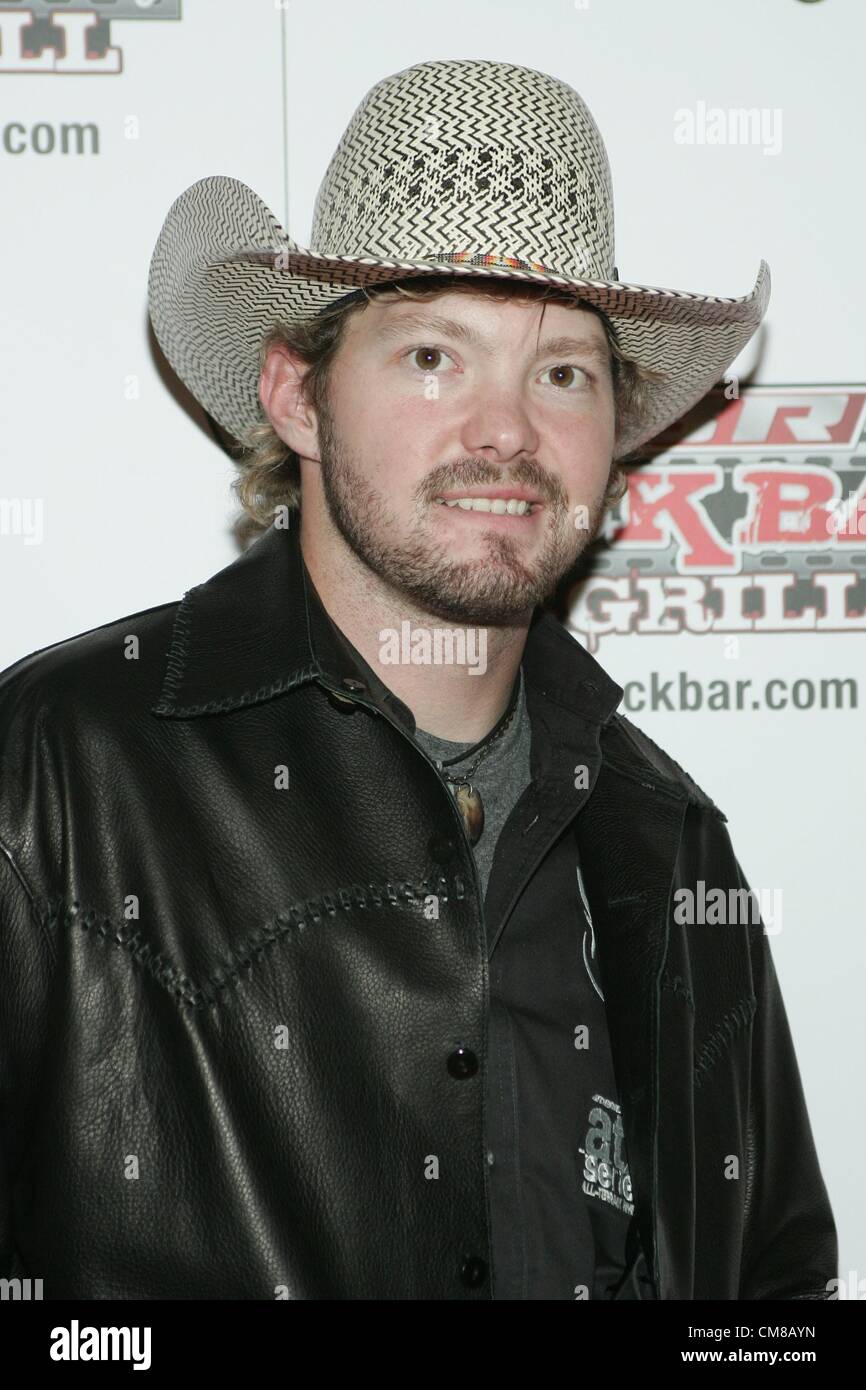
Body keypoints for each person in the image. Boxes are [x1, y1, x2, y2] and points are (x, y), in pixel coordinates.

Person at [0, 58, 836, 1300]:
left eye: (561, 372)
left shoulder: (671, 844)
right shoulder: (53, 771)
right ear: (298, 393)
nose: (505, 432)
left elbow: (765, 1290)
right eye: (434, 354)